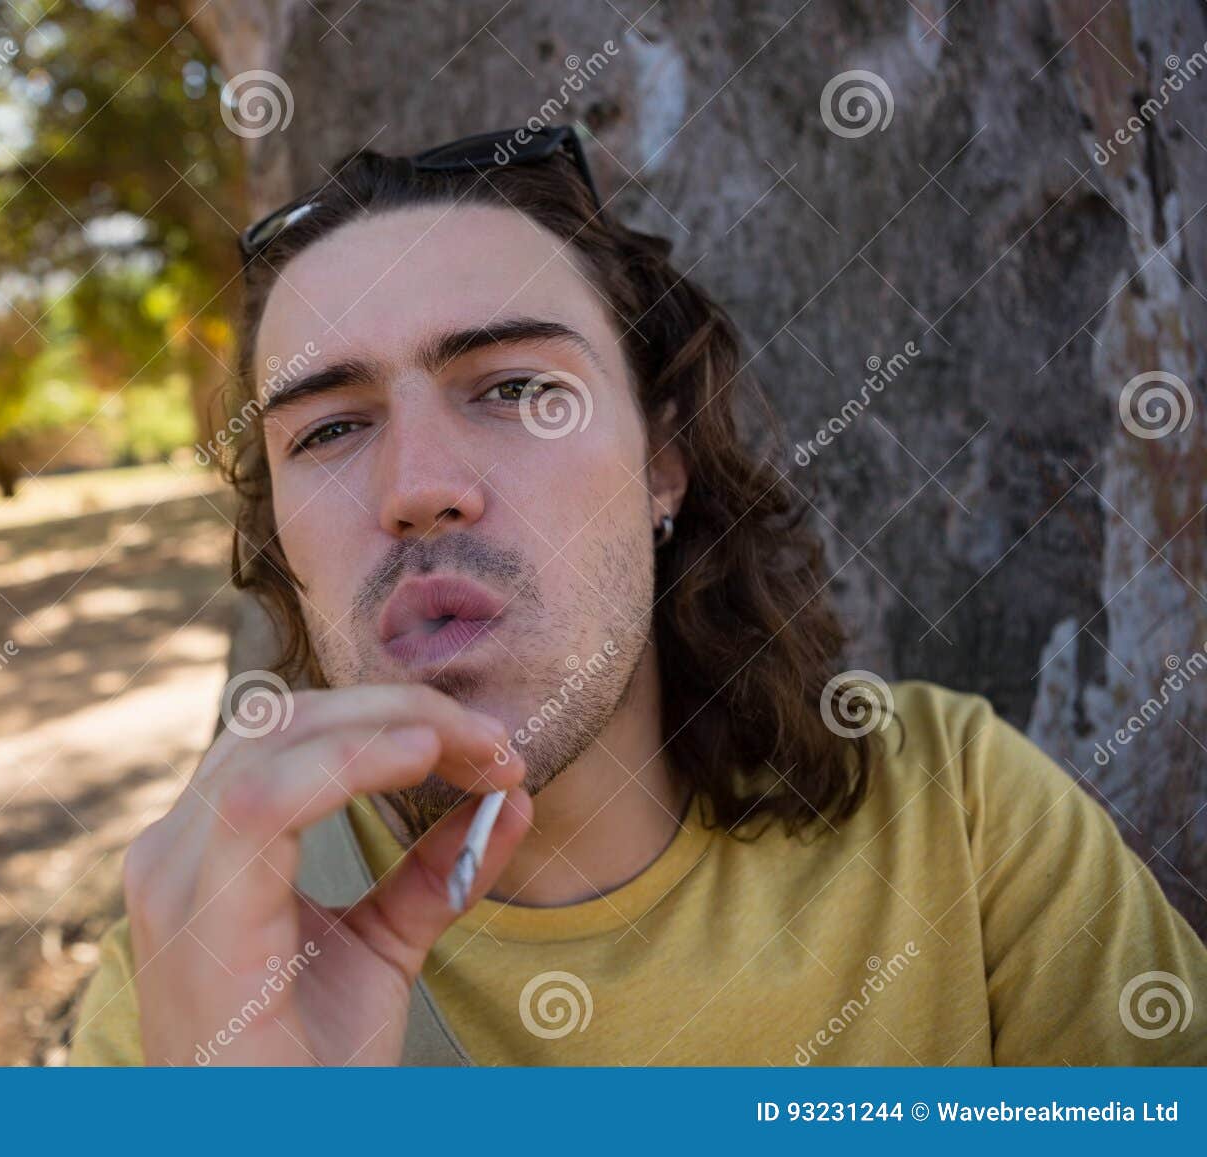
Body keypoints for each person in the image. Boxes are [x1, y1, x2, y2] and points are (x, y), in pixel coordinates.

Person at [69, 125, 1207, 1065]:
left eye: (515, 386)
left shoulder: (954, 817)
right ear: (281, 538)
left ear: (663, 462)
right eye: (327, 428)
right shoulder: (198, 961)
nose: (417, 488)